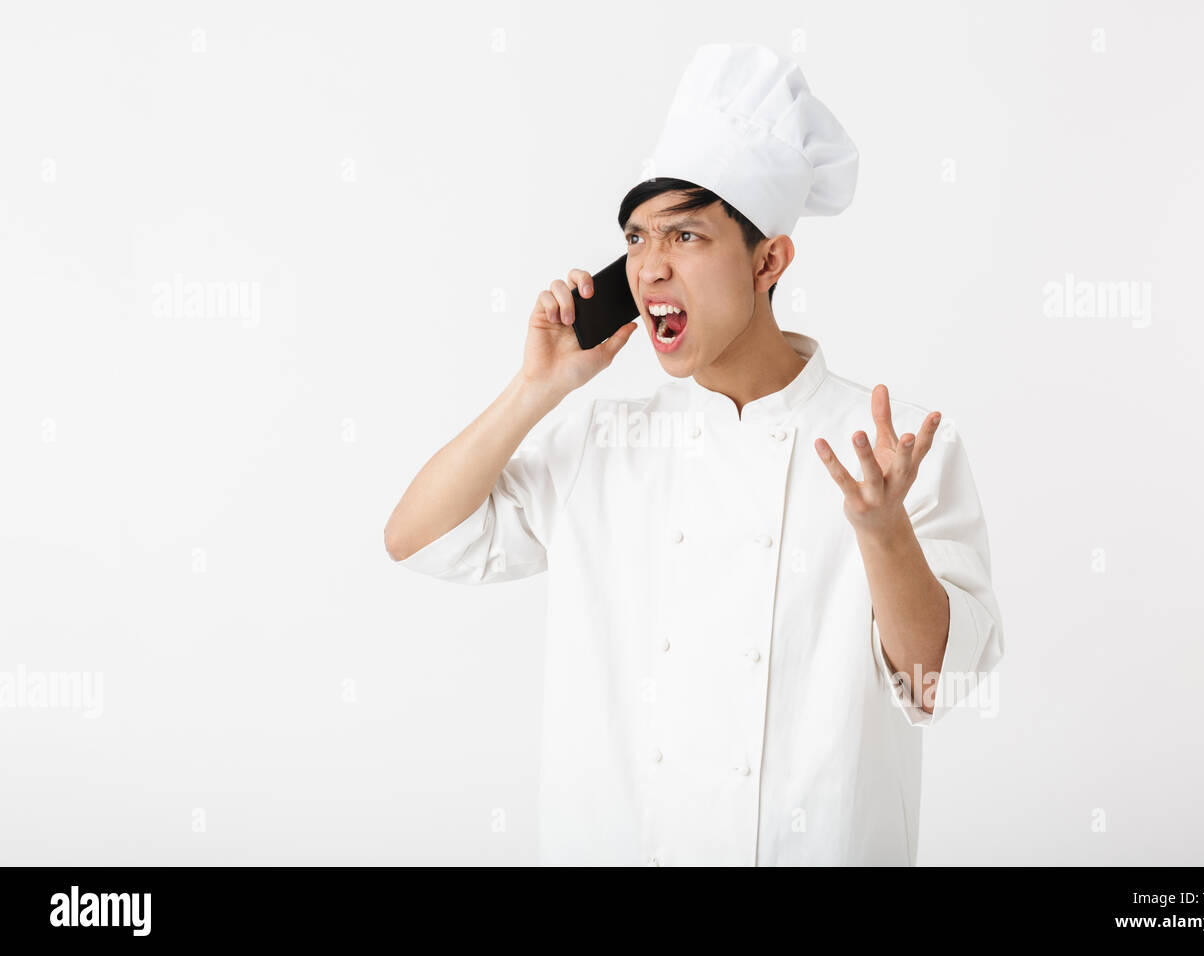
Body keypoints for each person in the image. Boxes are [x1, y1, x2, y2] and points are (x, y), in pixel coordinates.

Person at [384, 43, 1004, 866]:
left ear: (769, 259)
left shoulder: (895, 445)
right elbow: (416, 537)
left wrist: (885, 531)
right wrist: (535, 388)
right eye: (636, 239)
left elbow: (937, 685)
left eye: (686, 234)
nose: (650, 266)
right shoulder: (602, 446)